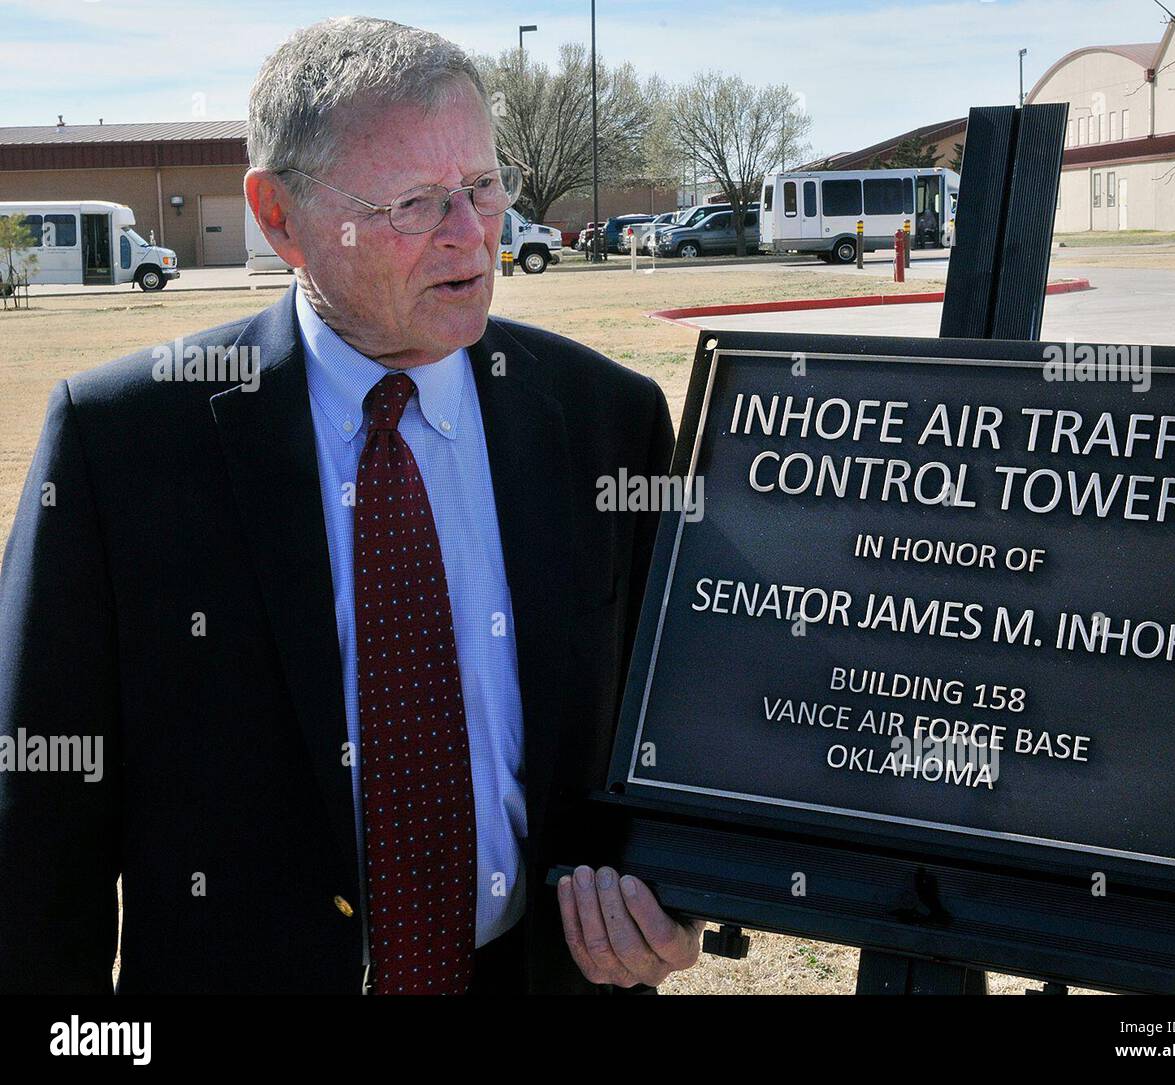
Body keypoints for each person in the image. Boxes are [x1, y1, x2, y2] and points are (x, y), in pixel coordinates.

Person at [0, 17, 704, 995]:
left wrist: (672, 893)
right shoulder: (121, 443)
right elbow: (37, 829)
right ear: (279, 217)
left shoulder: (607, 421)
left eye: (484, 186)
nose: (471, 233)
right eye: (414, 203)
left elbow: (670, 731)